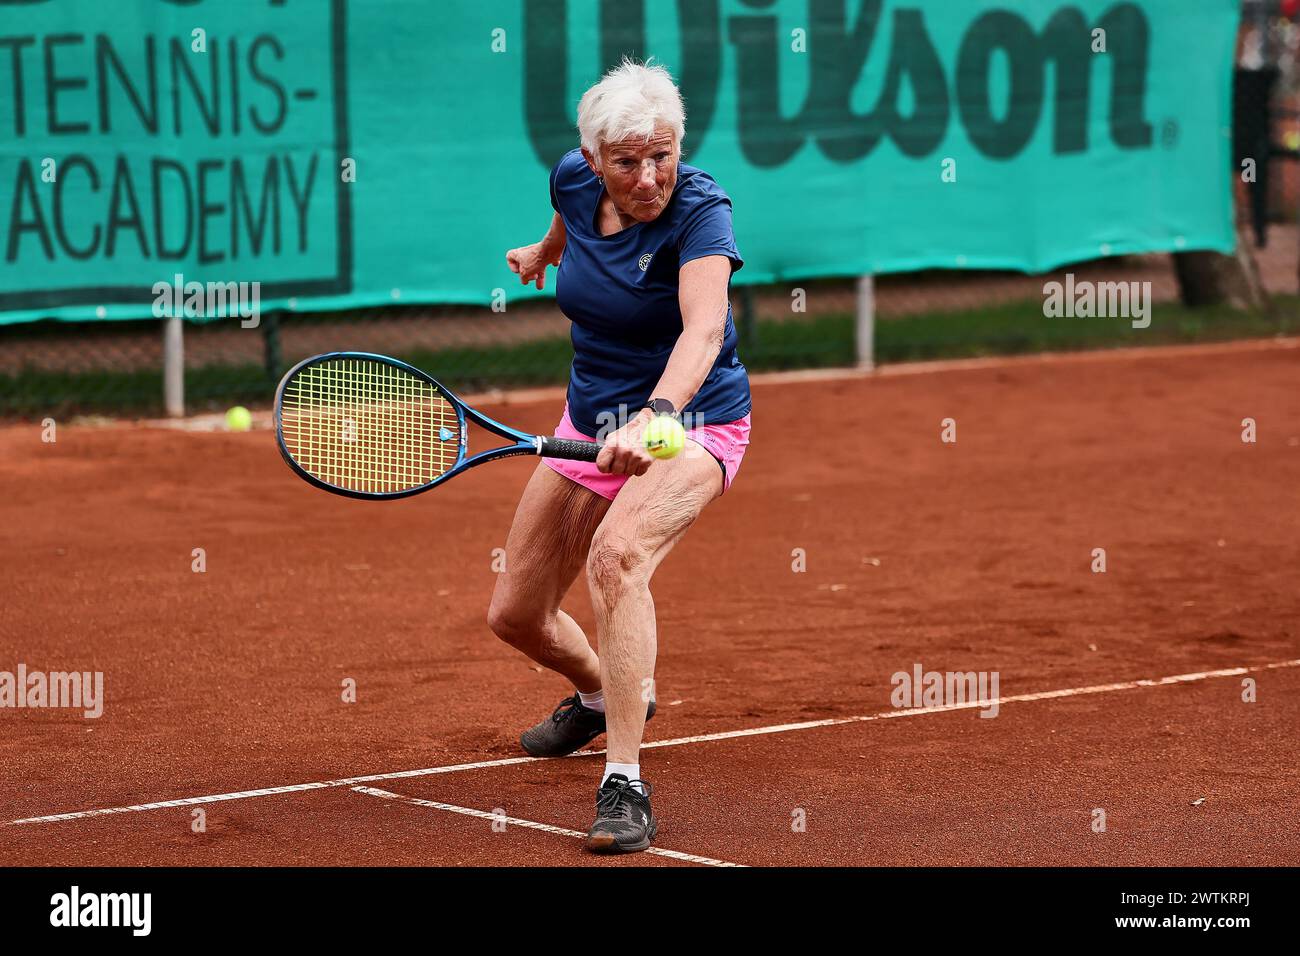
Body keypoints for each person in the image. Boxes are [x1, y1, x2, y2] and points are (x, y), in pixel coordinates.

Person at [496, 59, 751, 854]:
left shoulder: (702, 213)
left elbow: (703, 330)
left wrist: (657, 415)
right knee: (515, 616)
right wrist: (544, 255)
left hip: (692, 421)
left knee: (616, 556)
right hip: (589, 419)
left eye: (663, 155)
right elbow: (570, 218)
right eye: (628, 161)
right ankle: (608, 697)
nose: (649, 177)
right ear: (596, 159)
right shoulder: (573, 179)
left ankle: (625, 781)